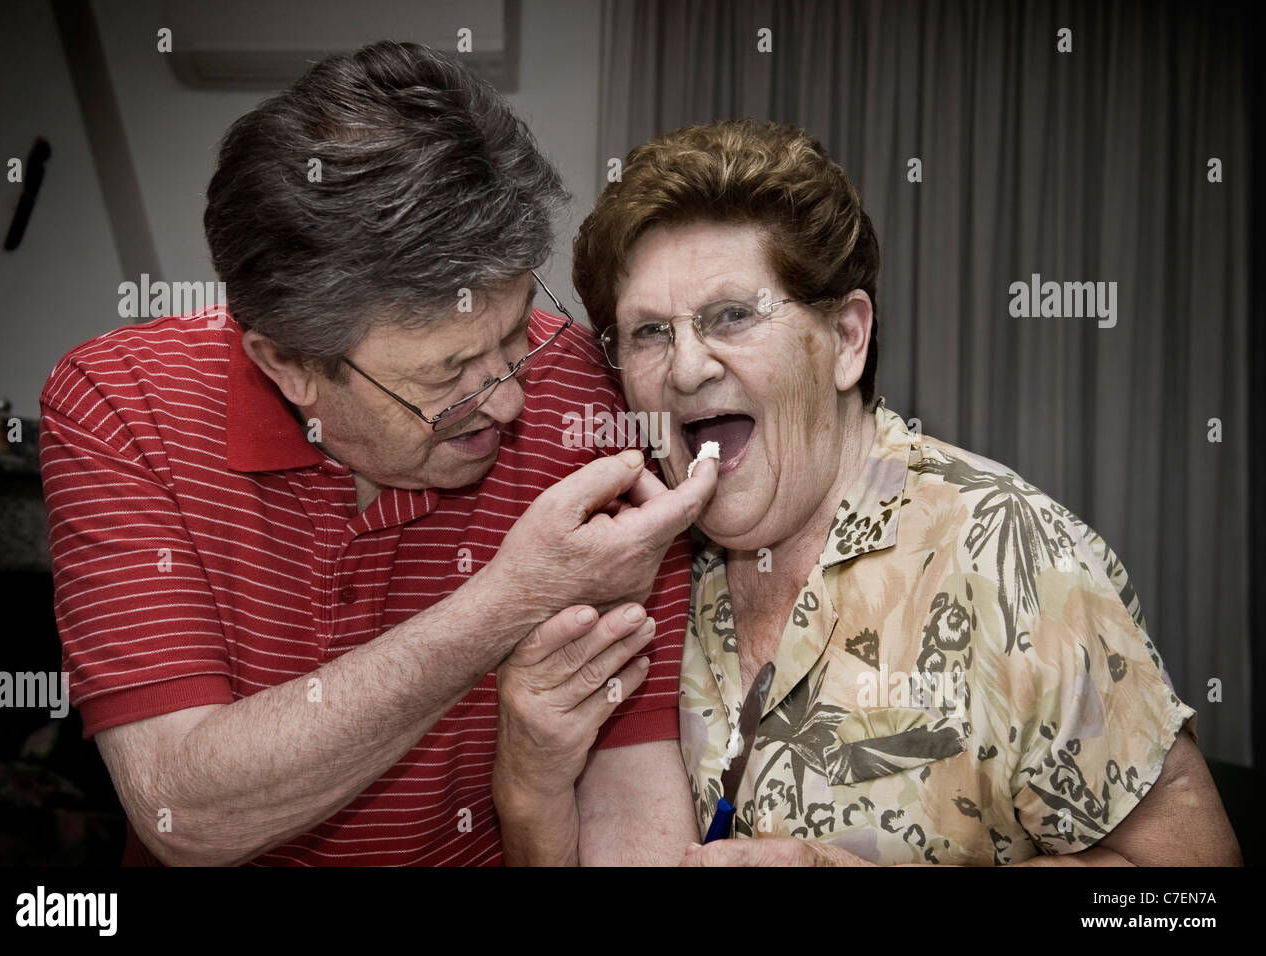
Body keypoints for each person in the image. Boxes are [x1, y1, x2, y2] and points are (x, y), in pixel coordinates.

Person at [38, 40, 717, 867]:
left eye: (514, 336)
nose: (508, 402)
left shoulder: (590, 395)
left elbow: (629, 794)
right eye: (447, 376)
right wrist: (513, 596)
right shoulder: (121, 405)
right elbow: (185, 813)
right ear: (288, 364)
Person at [497, 118, 1241, 865]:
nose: (687, 370)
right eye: (649, 333)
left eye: (733, 316)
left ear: (847, 340)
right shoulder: (634, 570)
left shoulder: (1009, 555)